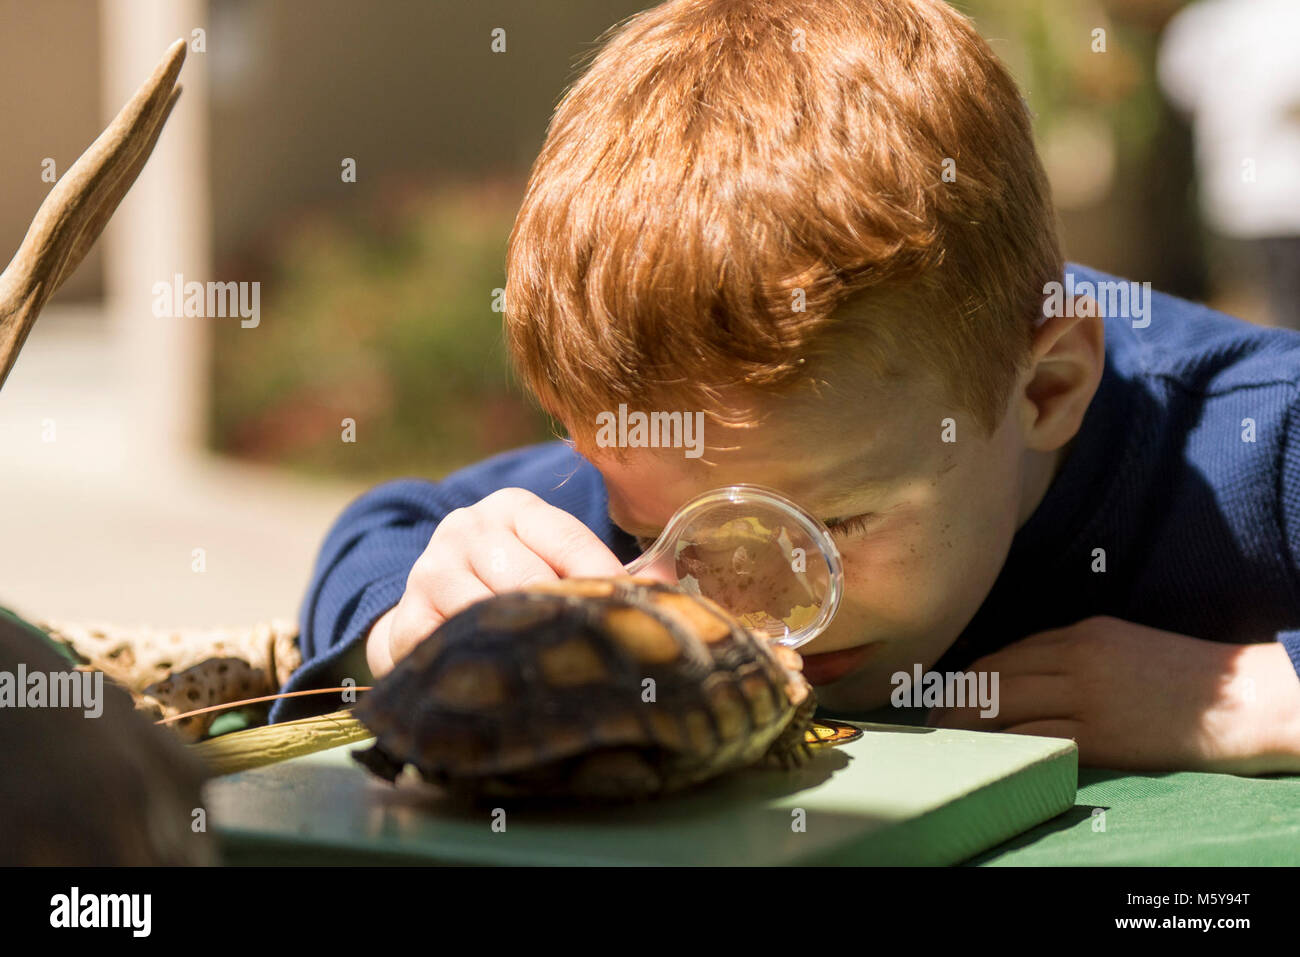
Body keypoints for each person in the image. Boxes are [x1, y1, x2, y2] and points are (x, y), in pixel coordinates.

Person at [273, 0, 1300, 774]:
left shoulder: (1258, 441)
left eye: (838, 524)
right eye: (673, 532)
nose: (759, 608)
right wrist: (404, 620)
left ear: (1045, 390)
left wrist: (1256, 694)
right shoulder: (715, 452)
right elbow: (388, 525)